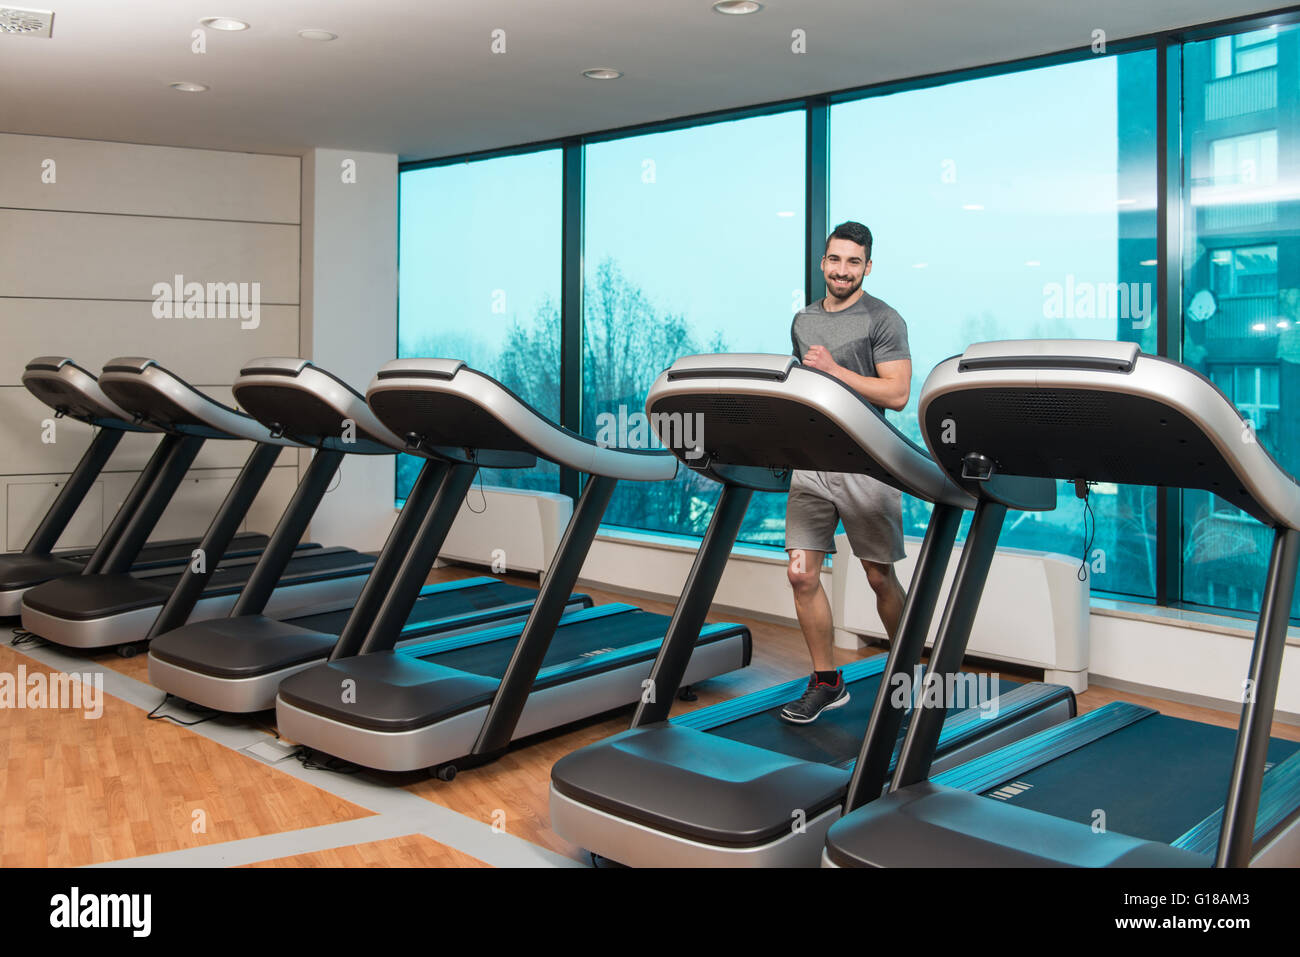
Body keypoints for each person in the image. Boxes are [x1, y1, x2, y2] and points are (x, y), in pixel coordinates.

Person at [780, 221, 912, 723]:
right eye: (835, 260)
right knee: (800, 573)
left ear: (867, 267)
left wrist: (836, 371)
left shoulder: (884, 319)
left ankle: (905, 671)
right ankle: (827, 681)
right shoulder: (803, 320)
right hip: (812, 462)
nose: (842, 270)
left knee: (879, 576)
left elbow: (896, 394)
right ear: (823, 262)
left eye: (853, 262)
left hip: (866, 462)